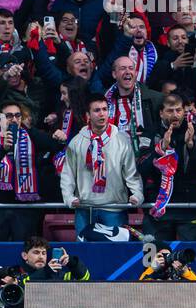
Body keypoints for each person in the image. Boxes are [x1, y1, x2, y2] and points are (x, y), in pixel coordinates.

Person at [60, 93, 144, 238]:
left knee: (116, 255)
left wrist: (137, 194)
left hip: (114, 209)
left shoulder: (122, 140)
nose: (102, 114)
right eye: (97, 110)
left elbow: (131, 172)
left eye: (105, 109)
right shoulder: (77, 141)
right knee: (84, 255)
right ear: (88, 115)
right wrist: (68, 197)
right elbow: (67, 174)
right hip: (84, 209)